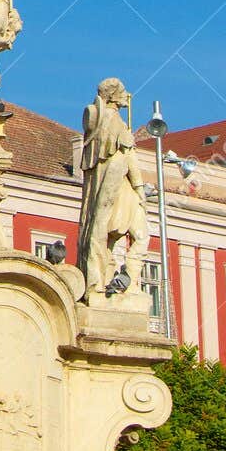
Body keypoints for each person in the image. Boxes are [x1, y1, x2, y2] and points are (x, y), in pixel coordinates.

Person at [78, 79, 149, 299]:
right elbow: (129, 158)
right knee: (141, 235)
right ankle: (129, 278)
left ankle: (105, 279)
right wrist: (140, 189)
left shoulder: (98, 122)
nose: (126, 96)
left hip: (106, 189)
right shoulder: (116, 124)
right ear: (113, 96)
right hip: (122, 188)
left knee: (107, 237)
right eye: (122, 92)